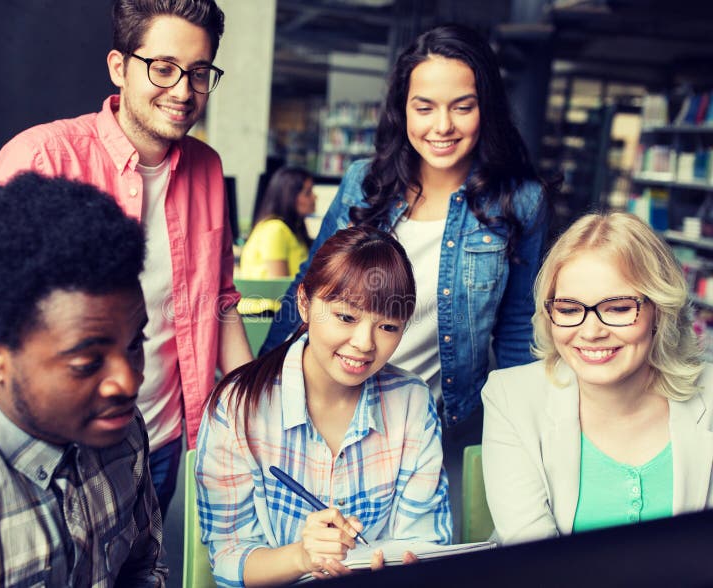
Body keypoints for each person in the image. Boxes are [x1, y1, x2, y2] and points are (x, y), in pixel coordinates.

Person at [0, 0, 252, 516]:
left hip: (162, 439)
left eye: (197, 73)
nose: (183, 92)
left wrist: (252, 416)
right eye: (164, 69)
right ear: (119, 67)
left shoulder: (207, 168)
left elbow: (220, 299)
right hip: (52, 448)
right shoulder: (43, 157)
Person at [259, 24, 555, 527]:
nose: (443, 125)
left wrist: (523, 437)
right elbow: (308, 289)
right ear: (403, 109)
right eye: (425, 107)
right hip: (332, 410)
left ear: (487, 107)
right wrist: (261, 387)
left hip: (441, 428)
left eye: (462, 105)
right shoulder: (363, 183)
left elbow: (517, 328)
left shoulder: (520, 200)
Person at [0, 172, 166, 585]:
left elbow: (142, 568)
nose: (128, 382)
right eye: (87, 361)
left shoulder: (124, 431)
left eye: (134, 343)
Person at [196, 226, 452, 587]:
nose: (364, 344)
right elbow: (227, 561)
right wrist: (301, 556)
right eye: (346, 317)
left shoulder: (412, 402)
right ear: (304, 302)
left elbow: (426, 542)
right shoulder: (237, 407)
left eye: (388, 326)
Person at [481, 212, 713, 545]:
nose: (590, 332)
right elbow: (535, 564)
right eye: (569, 309)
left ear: (660, 312)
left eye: (618, 308)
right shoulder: (511, 398)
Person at [239, 166, 316, 280]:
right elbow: (280, 288)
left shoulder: (295, 230)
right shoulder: (275, 230)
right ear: (289, 196)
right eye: (307, 193)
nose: (315, 197)